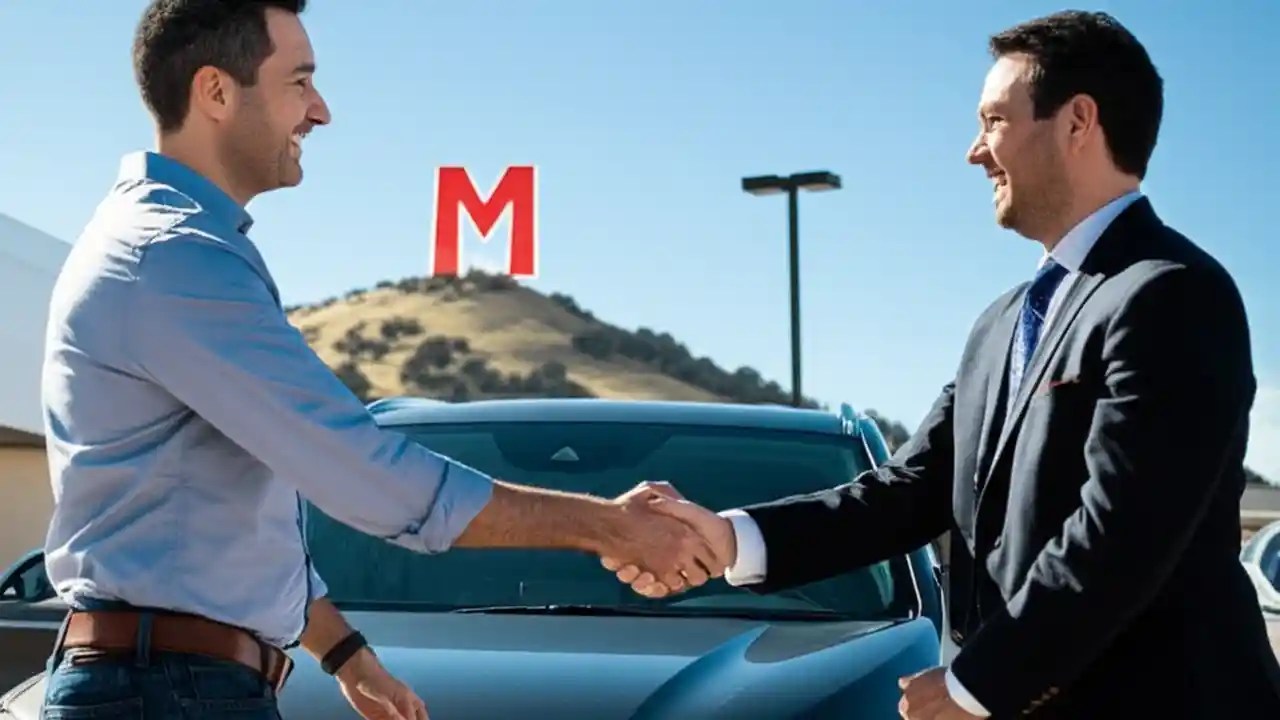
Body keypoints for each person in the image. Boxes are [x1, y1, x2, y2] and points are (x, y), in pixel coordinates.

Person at [38, 2, 721, 719]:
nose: (321, 111)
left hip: (168, 686)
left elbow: (229, 534)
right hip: (164, 696)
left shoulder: (169, 249)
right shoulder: (175, 258)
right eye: (299, 83)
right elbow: (366, 475)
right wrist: (611, 527)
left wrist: (346, 656)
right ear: (215, 92)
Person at [604, 10, 1280, 719]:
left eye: (994, 120)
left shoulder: (1172, 293)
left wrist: (976, 683)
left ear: (1078, 122)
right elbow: (910, 491)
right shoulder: (1001, 324)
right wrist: (733, 537)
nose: (974, 152)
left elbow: (1123, 532)